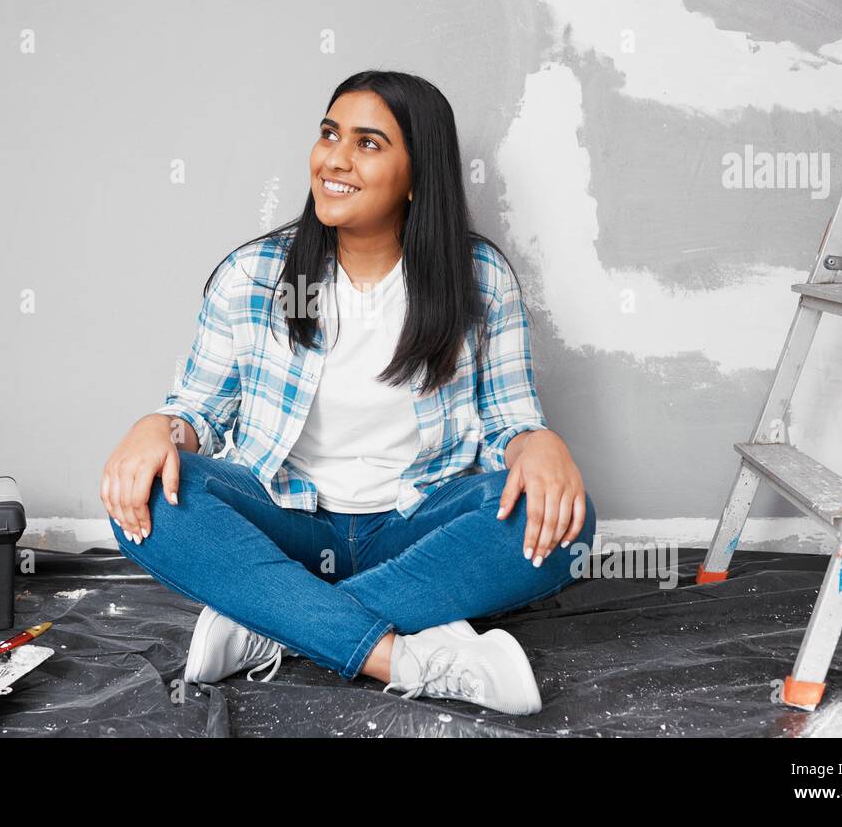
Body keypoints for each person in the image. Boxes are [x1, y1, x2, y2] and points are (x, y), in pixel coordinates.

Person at [100, 70, 596, 715]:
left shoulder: (480, 278)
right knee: (151, 496)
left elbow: (510, 420)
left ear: (418, 176)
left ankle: (273, 619)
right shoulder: (253, 274)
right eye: (330, 134)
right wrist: (154, 426)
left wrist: (541, 442)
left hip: (417, 526)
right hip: (286, 523)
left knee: (568, 521)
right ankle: (404, 656)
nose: (335, 158)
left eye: (368, 143)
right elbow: (197, 412)